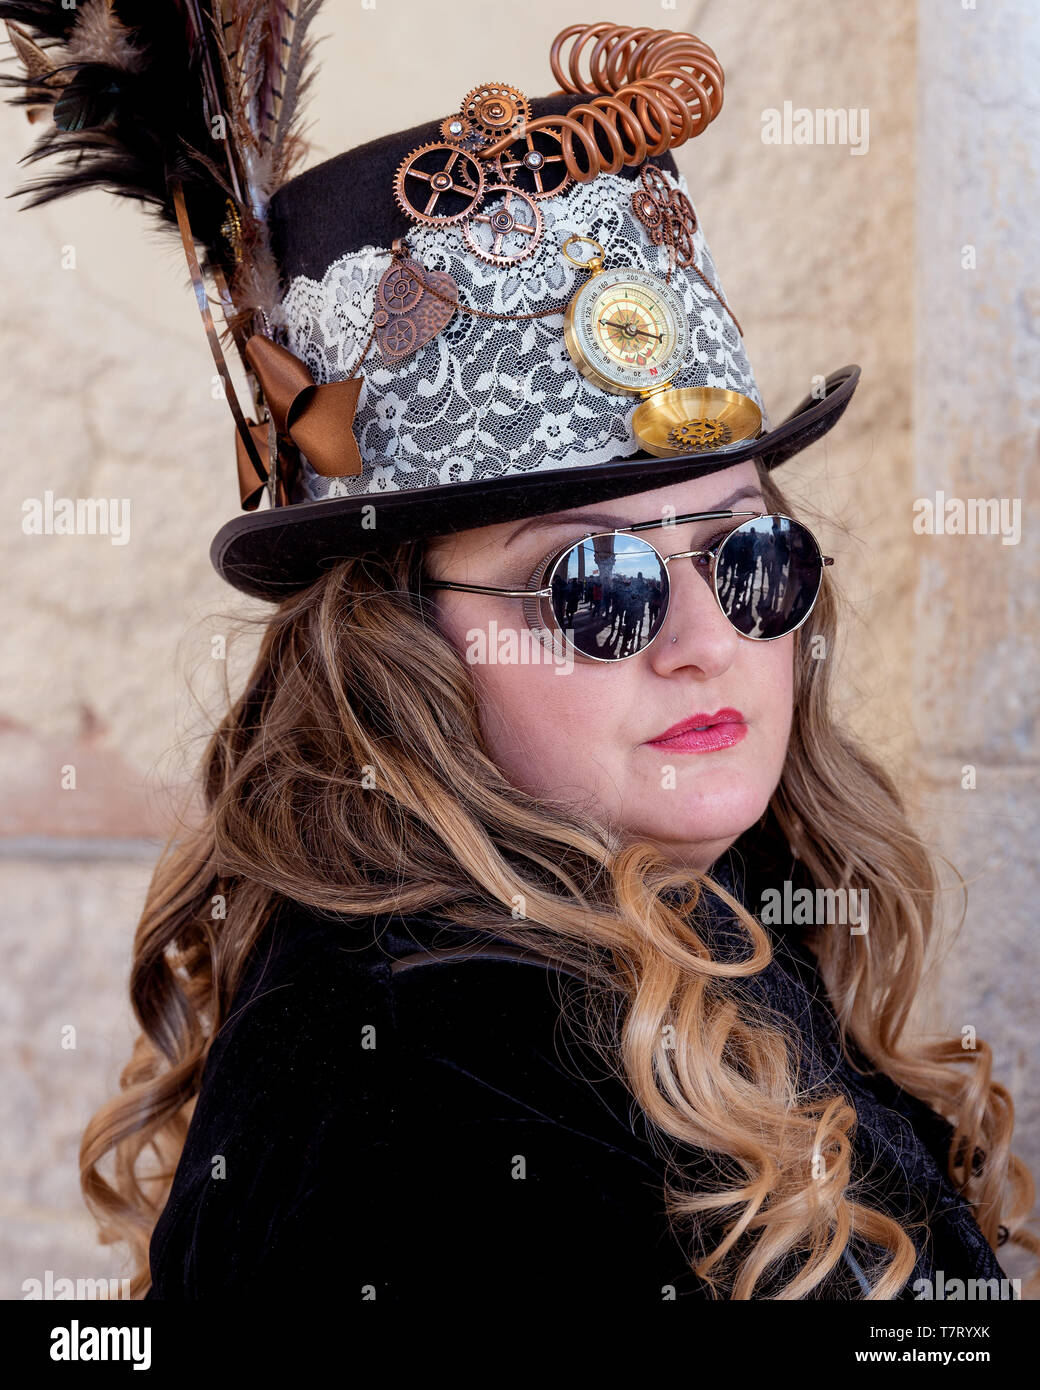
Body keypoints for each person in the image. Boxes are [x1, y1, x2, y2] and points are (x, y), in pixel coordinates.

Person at [3, 8, 1034, 1303]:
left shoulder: (692, 903)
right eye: (596, 582)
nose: (710, 640)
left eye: (751, 554)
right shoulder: (418, 1100)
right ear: (400, 644)